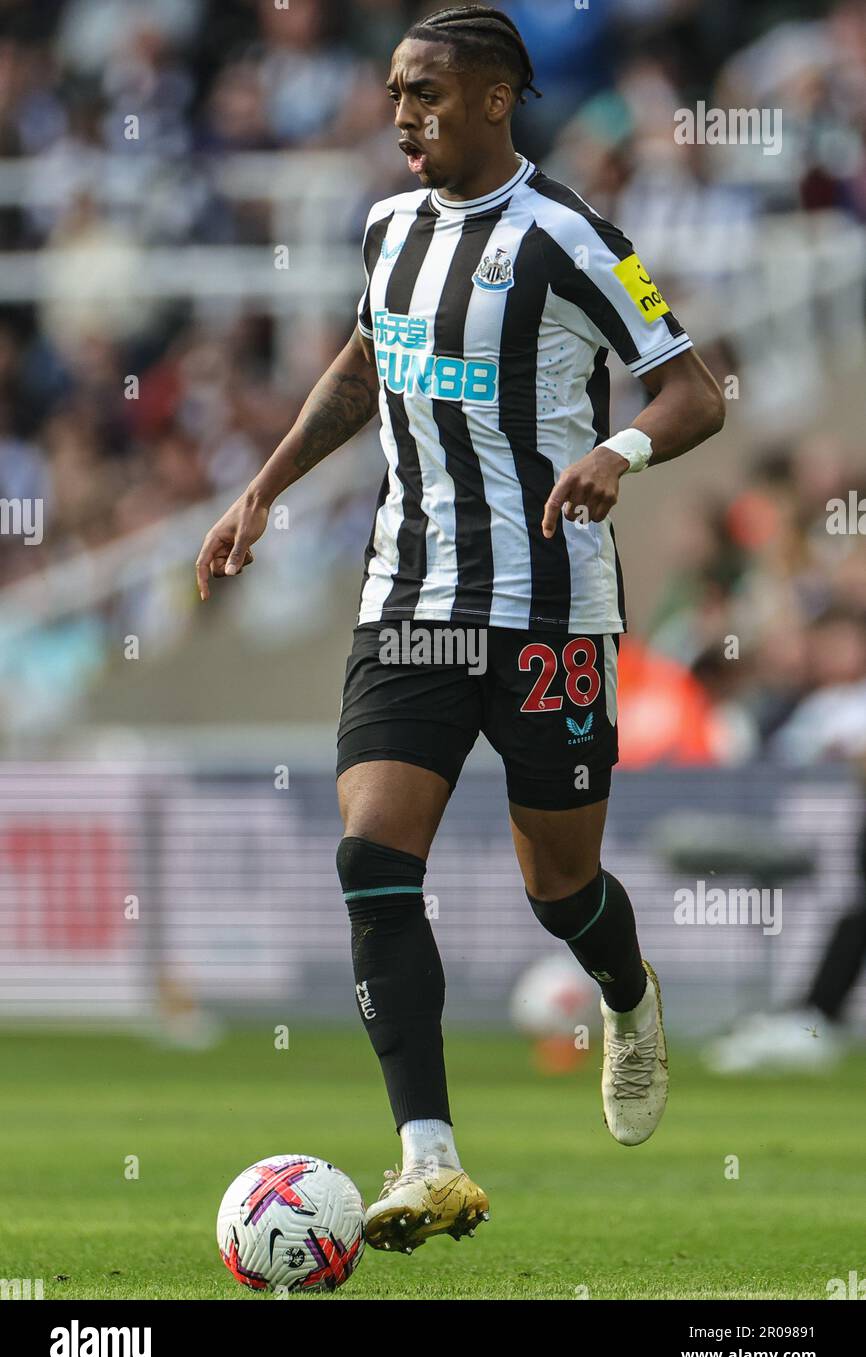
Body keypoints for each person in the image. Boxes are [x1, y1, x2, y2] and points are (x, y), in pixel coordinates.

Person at [196, 5, 725, 1256]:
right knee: (373, 857)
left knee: (559, 888)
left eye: (425, 91)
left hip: (548, 608)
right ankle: (427, 1159)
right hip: (410, 602)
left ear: (496, 97)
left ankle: (627, 994)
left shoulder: (572, 238)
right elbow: (362, 365)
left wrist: (618, 447)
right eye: (391, 91)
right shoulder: (384, 228)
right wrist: (262, 487)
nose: (400, 114)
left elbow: (693, 390)